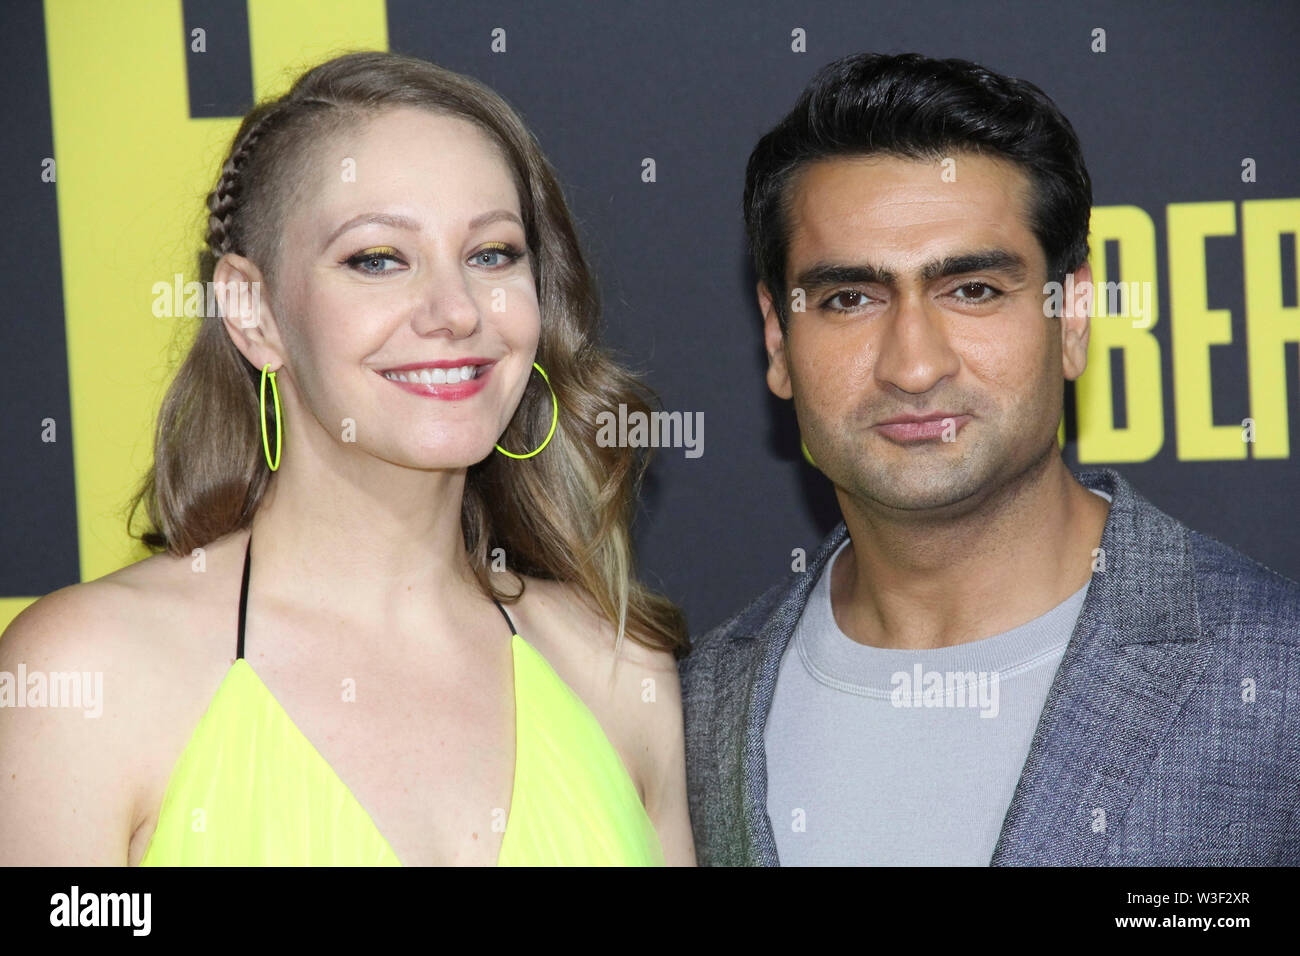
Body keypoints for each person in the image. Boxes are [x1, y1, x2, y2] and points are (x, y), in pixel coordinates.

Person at [0, 50, 694, 866]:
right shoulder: (89, 679)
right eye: (377, 259)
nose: (454, 311)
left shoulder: (618, 671)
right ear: (251, 310)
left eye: (493, 254)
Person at [680, 52, 1300, 866]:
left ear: (1072, 313)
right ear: (777, 337)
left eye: (972, 289)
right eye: (849, 299)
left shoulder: (1276, 678)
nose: (913, 365)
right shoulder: (689, 716)